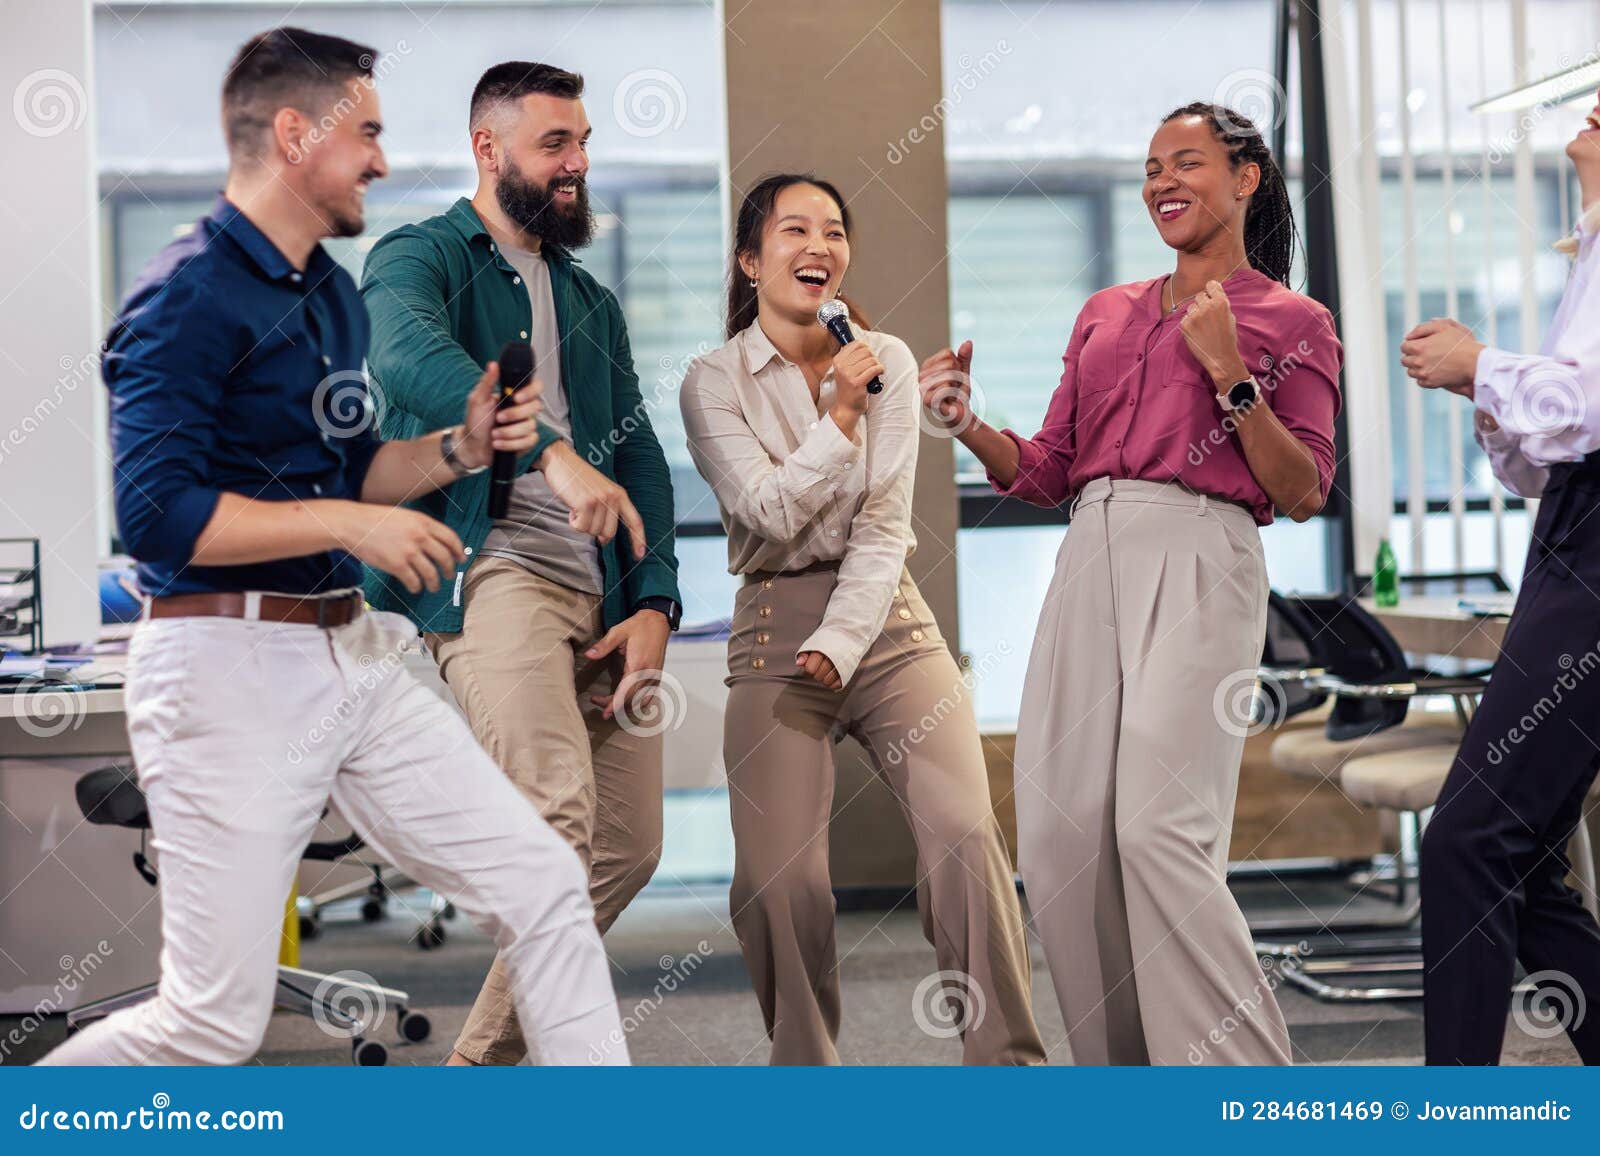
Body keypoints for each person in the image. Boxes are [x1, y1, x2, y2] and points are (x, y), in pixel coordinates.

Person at [38, 28, 626, 1066]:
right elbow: (161, 517)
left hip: (349, 653)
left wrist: (461, 442)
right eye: (367, 134)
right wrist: (350, 526)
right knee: (209, 1022)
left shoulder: (328, 299)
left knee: (543, 885)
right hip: (226, 668)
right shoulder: (184, 297)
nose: (383, 161)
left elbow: (360, 476)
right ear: (293, 133)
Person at [921, 104, 1342, 1065]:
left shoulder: (1293, 321)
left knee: (1159, 832)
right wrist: (968, 422)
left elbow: (1304, 487)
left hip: (1200, 556)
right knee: (1061, 846)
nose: (1162, 183)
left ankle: (1242, 1090)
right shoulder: (1106, 311)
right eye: (1151, 167)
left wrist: (1231, 372)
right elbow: (1050, 468)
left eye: (1186, 163)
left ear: (1247, 179)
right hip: (1088, 555)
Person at [680, 173, 1046, 1066]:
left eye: (834, 230)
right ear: (749, 259)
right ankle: (809, 1073)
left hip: (887, 619)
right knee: (779, 881)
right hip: (776, 623)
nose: (819, 246)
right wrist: (839, 410)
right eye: (794, 230)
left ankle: (1008, 1066)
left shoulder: (885, 353)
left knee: (966, 836)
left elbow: (885, 528)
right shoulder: (712, 382)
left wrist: (842, 645)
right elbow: (765, 514)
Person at [360, 61, 680, 1068]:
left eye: (583, 142)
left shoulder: (587, 297)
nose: (578, 162)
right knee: (554, 824)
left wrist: (658, 600)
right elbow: (403, 354)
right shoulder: (421, 256)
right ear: (488, 149)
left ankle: (481, 1076)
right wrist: (549, 450)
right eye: (556, 143)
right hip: (495, 570)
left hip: (603, 594)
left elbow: (636, 456)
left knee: (625, 848)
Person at [1400, 92, 1600, 1065]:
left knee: (1466, 844)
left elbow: (1578, 415)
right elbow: (1539, 462)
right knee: (1516, 866)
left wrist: (1479, 365)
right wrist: (1478, 387)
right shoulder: (1591, 249)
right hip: (1571, 544)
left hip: (1591, 567)